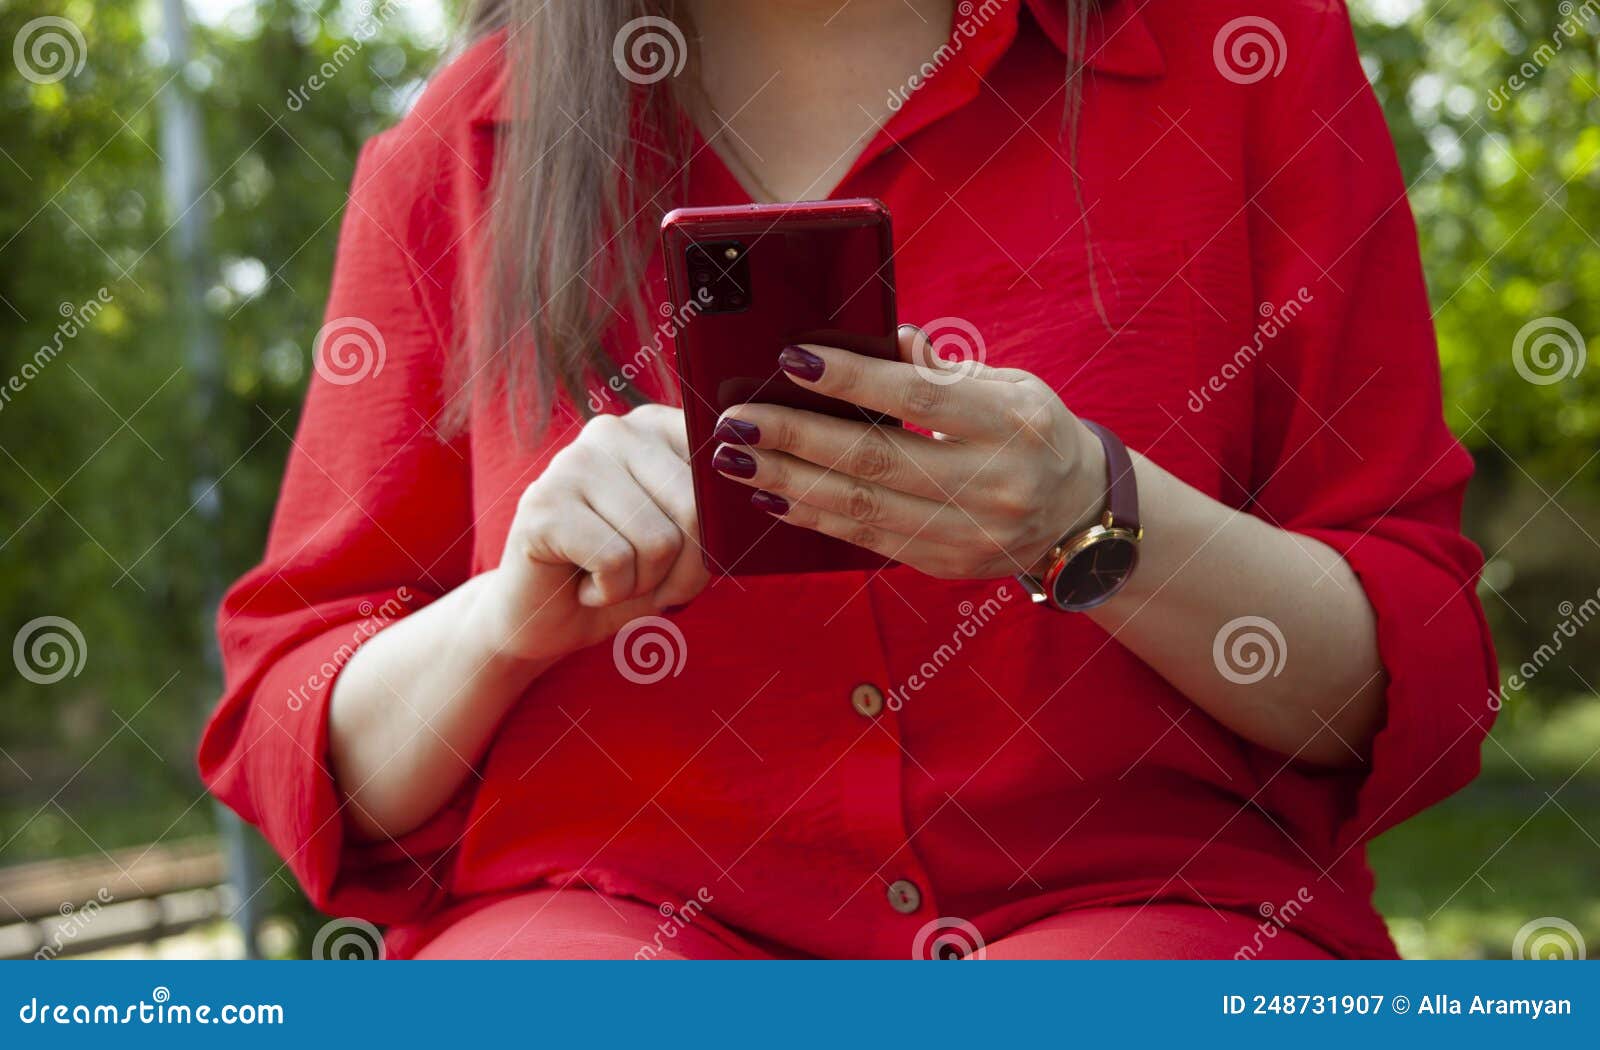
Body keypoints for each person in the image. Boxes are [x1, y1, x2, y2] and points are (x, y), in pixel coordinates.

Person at [199, 0, 1497, 959]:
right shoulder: (461, 149)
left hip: (1141, 914)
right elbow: (308, 737)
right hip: (600, 924)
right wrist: (502, 621)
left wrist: (1097, 523)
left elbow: (1404, 684)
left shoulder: (1247, 61)